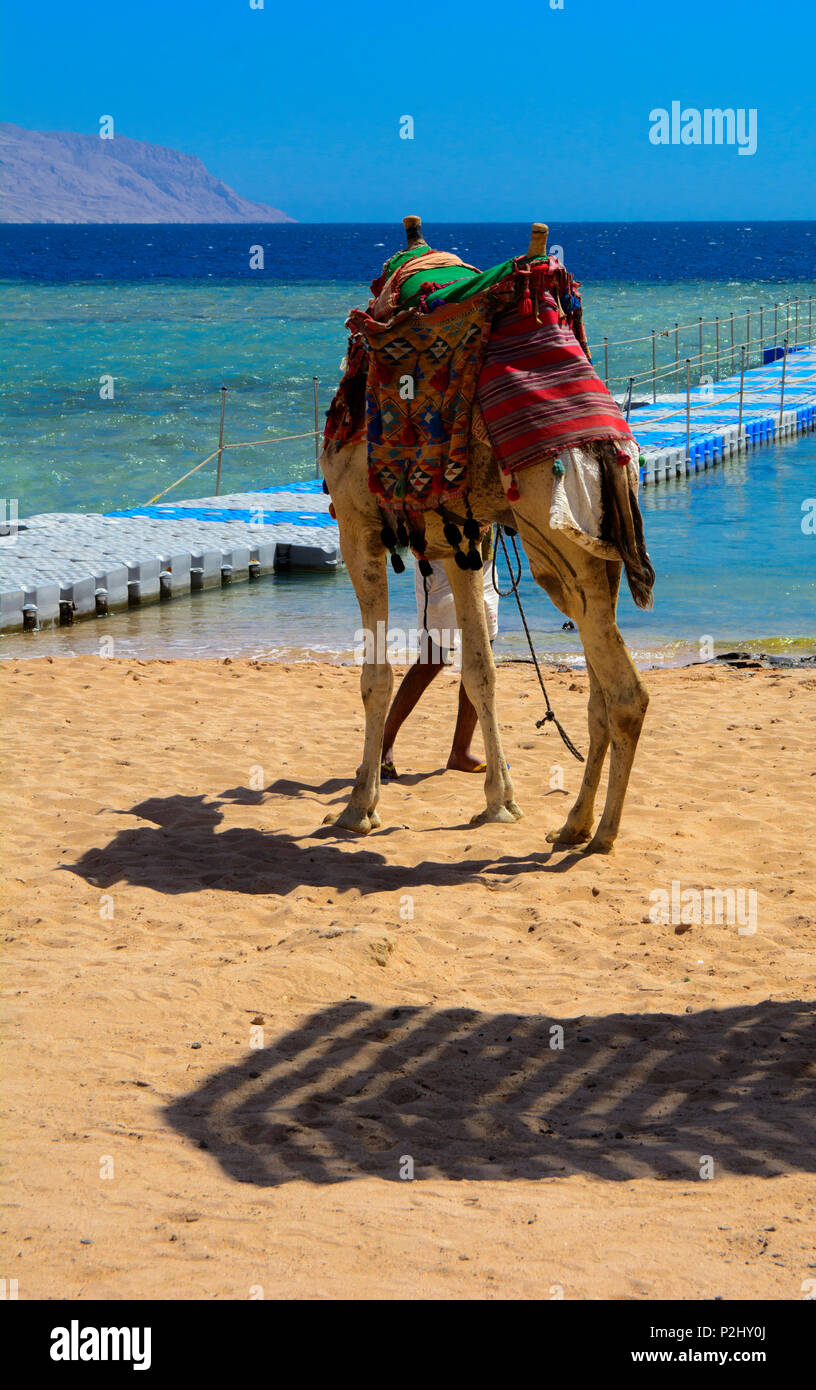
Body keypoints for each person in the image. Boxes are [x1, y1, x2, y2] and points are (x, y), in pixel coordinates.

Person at [380, 534, 500, 779]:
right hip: (439, 556)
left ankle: (460, 752)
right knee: (433, 657)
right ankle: (383, 744)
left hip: (482, 554)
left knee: (480, 655)